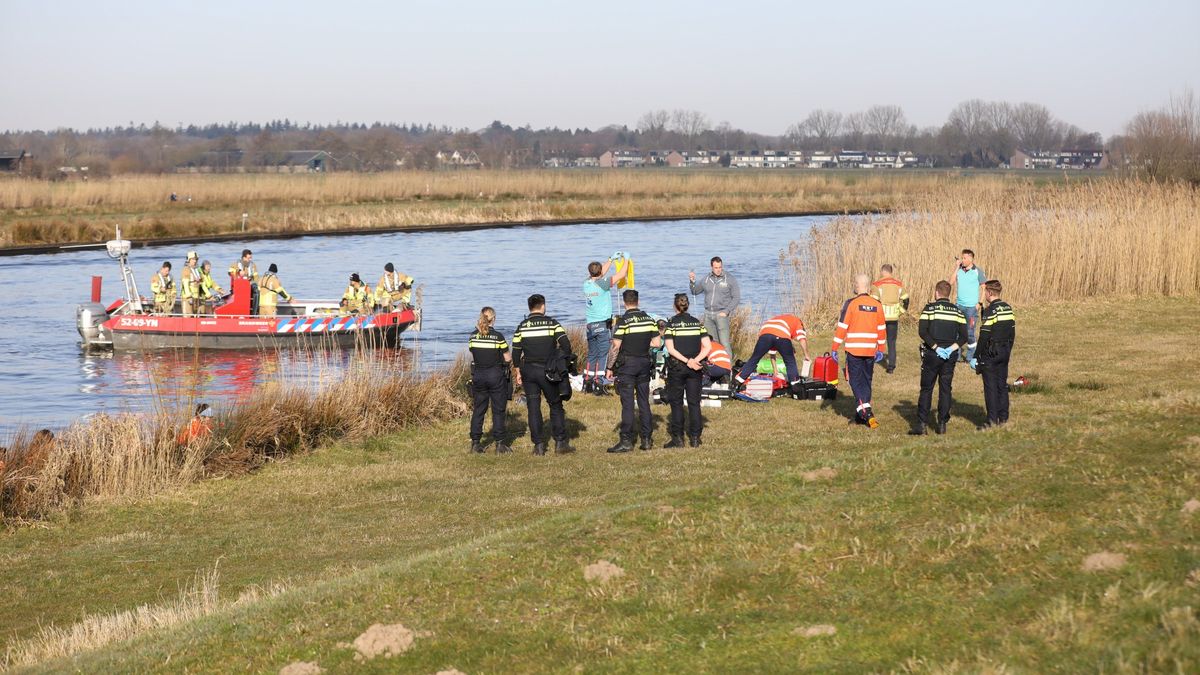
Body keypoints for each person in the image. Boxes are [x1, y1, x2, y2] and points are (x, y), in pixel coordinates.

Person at [512, 294, 574, 456]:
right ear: (543, 306)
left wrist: (518, 371)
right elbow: (566, 346)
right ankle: (560, 443)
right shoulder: (552, 324)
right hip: (549, 370)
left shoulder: (522, 326)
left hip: (529, 371)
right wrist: (559, 360)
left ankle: (538, 446)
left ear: (529, 307)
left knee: (533, 407)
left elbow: (516, 353)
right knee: (555, 405)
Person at [605, 289, 661, 453]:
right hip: (644, 363)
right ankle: (646, 439)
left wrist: (609, 368)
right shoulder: (649, 320)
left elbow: (615, 347)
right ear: (638, 301)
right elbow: (657, 343)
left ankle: (626, 441)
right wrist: (643, 345)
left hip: (627, 365)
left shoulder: (624, 321)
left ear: (624, 303)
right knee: (644, 402)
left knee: (628, 404)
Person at [911, 281, 968, 435]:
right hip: (949, 356)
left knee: (926, 389)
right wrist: (951, 349)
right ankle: (942, 424)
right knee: (945, 389)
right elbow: (964, 336)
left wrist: (936, 347)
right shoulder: (957, 312)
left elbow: (923, 332)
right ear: (949, 293)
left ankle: (922, 425)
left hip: (932, 353)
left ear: (937, 293)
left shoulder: (929, 309)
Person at [831, 274, 887, 428]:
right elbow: (882, 328)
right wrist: (881, 348)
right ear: (868, 287)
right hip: (870, 350)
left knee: (854, 381)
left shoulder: (851, 303)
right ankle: (860, 416)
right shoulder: (877, 304)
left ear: (857, 285)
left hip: (854, 350)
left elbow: (842, 327)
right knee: (866, 380)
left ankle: (866, 412)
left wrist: (834, 348)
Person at [663, 293, 711, 448]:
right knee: (694, 403)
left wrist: (687, 361)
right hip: (695, 368)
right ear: (687, 305)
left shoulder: (671, 324)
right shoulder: (697, 323)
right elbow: (708, 346)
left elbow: (670, 349)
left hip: (677, 367)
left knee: (676, 403)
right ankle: (695, 438)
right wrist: (695, 361)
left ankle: (678, 439)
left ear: (674, 306)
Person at [468, 306, 513, 454]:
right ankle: (500, 444)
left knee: (479, 409)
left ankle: (475, 443)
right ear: (493, 319)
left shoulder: (473, 337)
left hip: (478, 376)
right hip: (495, 376)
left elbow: (473, 352)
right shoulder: (498, 337)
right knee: (498, 410)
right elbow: (508, 358)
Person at [733, 314, 812, 397]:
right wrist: (806, 355)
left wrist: (775, 371)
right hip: (781, 336)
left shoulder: (777, 319)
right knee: (790, 362)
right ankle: (795, 386)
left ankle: (736, 383)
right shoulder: (797, 321)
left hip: (765, 335)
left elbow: (772, 352)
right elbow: (802, 338)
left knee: (753, 360)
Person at [582, 256, 628, 395]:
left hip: (590, 325)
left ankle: (588, 381)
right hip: (602, 325)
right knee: (602, 355)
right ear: (601, 272)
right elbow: (622, 274)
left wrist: (610, 259)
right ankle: (599, 384)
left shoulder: (587, 283)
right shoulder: (603, 283)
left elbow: (599, 272)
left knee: (592, 354)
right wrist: (626, 259)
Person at [974, 280, 1016, 430]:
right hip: (1005, 350)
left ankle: (991, 421)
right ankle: (1003, 417)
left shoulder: (992, 310)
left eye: (985, 291)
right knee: (1002, 385)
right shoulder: (1007, 308)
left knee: (990, 387)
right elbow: (1012, 332)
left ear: (990, 293)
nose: (984, 294)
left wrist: (976, 356)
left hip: (991, 352)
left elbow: (984, 335)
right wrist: (1008, 349)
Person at [688, 256, 740, 357]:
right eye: (716, 267)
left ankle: (728, 369)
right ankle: (715, 367)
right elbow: (695, 291)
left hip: (721, 315)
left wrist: (726, 311)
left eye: (720, 267)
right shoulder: (707, 279)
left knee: (724, 343)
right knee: (712, 343)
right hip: (708, 315)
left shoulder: (729, 279)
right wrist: (692, 281)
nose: (718, 270)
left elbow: (736, 298)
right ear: (711, 267)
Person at [871, 264, 910, 374]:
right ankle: (891, 366)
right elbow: (906, 300)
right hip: (893, 317)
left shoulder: (877, 285)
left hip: (880, 317)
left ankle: (872, 361)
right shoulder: (899, 284)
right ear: (891, 272)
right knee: (891, 342)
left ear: (883, 272)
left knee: (876, 340)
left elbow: (874, 301)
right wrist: (901, 312)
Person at [950, 249, 986, 362]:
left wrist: (979, 303)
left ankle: (971, 357)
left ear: (971, 259)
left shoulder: (977, 271)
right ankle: (957, 356)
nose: (962, 260)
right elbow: (950, 282)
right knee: (957, 332)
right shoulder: (959, 270)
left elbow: (985, 289)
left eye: (964, 258)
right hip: (959, 306)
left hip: (972, 308)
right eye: (962, 258)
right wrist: (956, 267)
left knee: (970, 333)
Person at [180, 251, 203, 317]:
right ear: (189, 260)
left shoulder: (197, 270)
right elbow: (185, 284)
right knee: (188, 317)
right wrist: (189, 297)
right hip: (188, 299)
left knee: (195, 317)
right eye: (193, 259)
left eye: (196, 259)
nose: (195, 261)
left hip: (196, 298)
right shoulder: (186, 270)